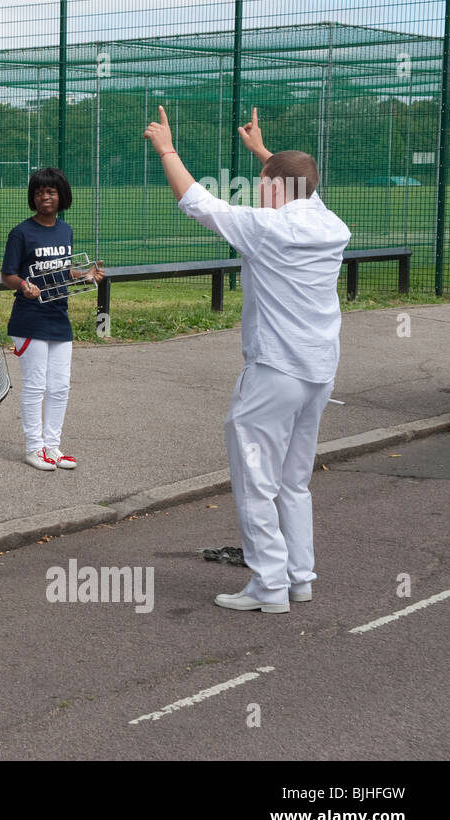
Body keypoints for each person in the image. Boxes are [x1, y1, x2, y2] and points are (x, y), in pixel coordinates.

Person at [144, 106, 351, 614]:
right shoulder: (331, 224)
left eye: (262, 180)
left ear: (277, 188)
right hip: (319, 371)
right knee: (292, 481)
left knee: (256, 479)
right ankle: (299, 578)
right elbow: (302, 184)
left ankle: (269, 586)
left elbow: (196, 202)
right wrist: (266, 154)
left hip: (274, 371)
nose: (257, 188)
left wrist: (167, 149)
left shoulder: (267, 228)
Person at [0, 168, 103, 472]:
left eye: (52, 191)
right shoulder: (21, 233)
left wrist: (84, 275)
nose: (46, 197)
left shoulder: (65, 230)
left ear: (61, 196)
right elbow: (8, 275)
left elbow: (60, 269)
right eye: (40, 192)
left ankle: (53, 447)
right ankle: (34, 448)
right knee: (35, 385)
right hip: (29, 318)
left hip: (59, 316)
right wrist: (24, 286)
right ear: (33, 197)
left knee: (59, 386)